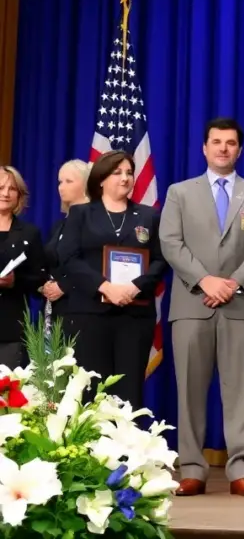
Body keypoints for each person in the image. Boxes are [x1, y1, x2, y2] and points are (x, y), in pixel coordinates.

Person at [159, 118, 244, 498]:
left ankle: (239, 468)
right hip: (192, 305)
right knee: (189, 391)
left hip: (241, 305)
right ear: (204, 148)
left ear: (239, 150)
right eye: (216, 142)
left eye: (230, 143)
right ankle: (192, 468)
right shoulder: (179, 193)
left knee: (240, 390)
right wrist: (205, 280)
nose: (223, 149)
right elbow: (170, 243)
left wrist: (233, 283)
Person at [57, 151, 167, 409]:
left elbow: (162, 260)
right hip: (90, 314)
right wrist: (105, 286)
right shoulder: (81, 214)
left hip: (134, 316)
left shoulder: (149, 216)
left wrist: (134, 287)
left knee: (129, 392)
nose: (125, 178)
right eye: (117, 172)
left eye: (129, 172)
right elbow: (69, 257)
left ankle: (128, 449)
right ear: (101, 179)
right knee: (91, 389)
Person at [0, 166, 48, 368]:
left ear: (19, 195)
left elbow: (39, 280)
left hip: (10, 326)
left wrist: (15, 281)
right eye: (1, 187)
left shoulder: (30, 233)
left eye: (12, 189)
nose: (5, 193)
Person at [40, 160, 90, 326]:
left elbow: (93, 262)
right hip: (55, 308)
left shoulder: (94, 222)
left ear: (86, 184)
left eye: (69, 181)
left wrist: (64, 286)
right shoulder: (59, 225)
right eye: (60, 182)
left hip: (81, 307)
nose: (61, 187)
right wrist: (44, 285)